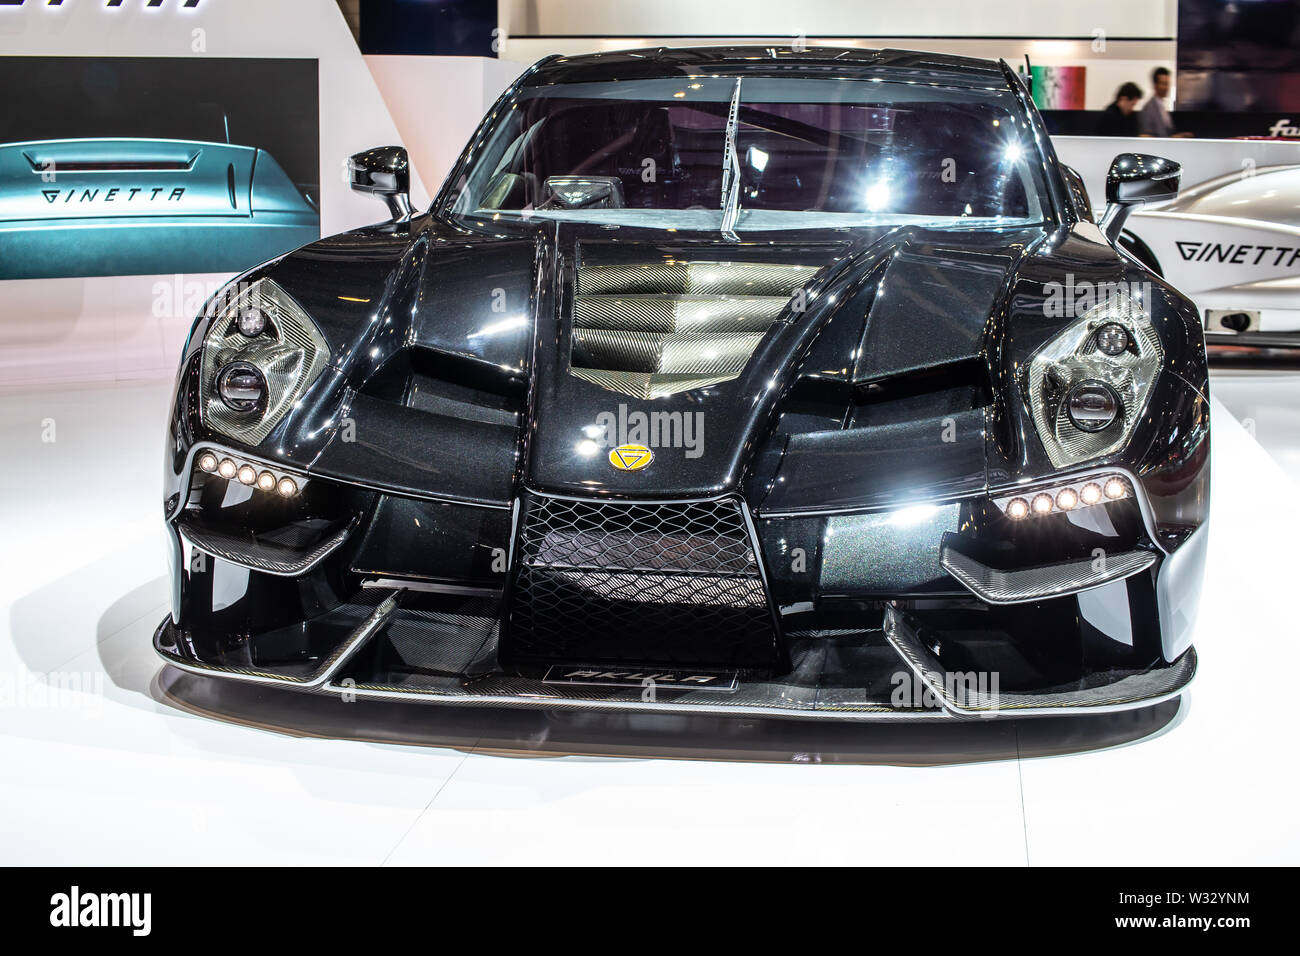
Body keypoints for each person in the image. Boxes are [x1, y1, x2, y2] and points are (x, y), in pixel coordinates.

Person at [1138, 66, 1192, 137]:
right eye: (1163, 84)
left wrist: (1180, 135)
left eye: (1168, 84)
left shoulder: (1162, 106)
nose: (1167, 87)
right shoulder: (1148, 108)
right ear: (1155, 85)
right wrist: (1172, 138)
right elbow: (1146, 137)